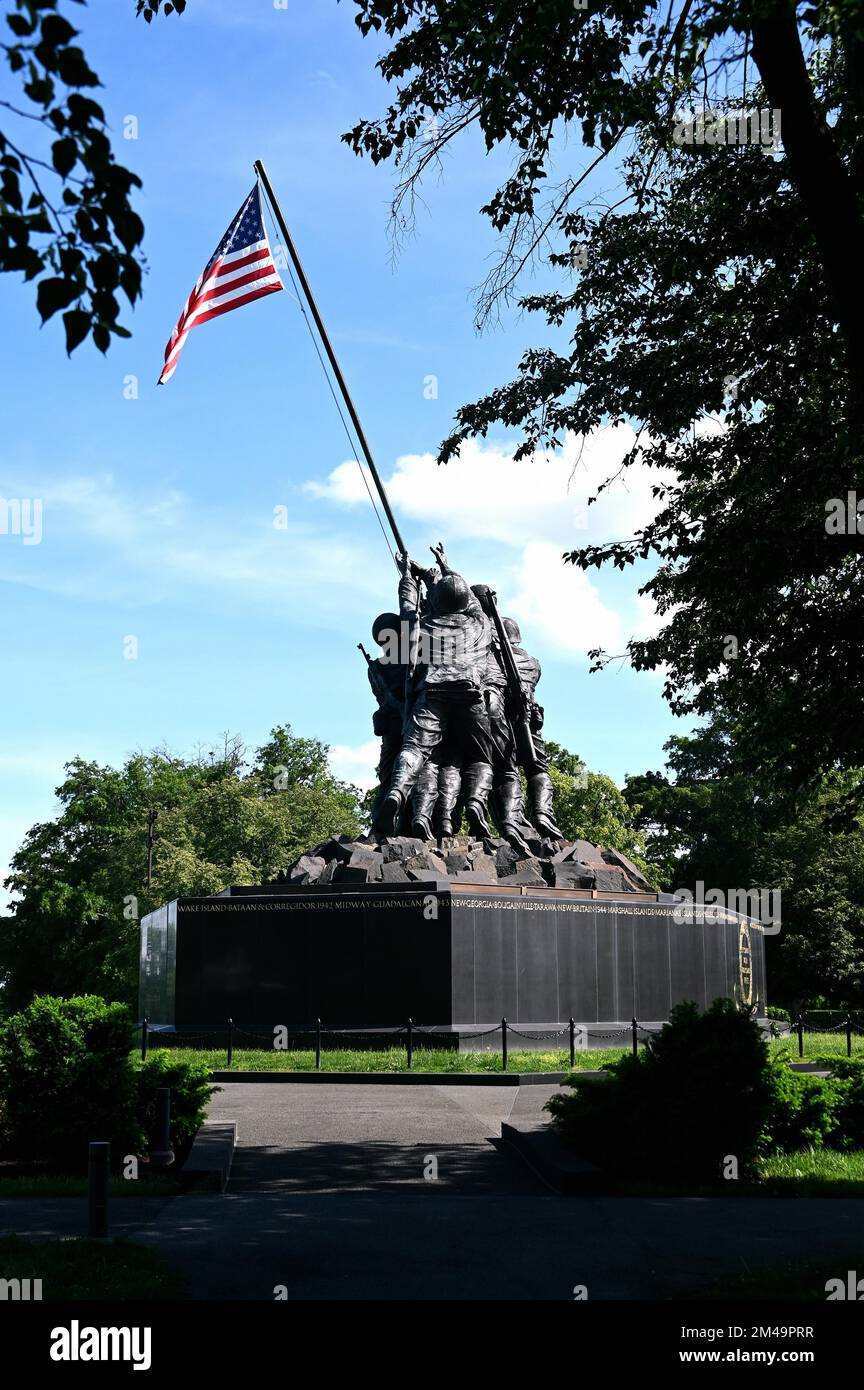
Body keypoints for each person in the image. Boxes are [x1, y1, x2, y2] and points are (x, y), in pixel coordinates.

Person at [373, 543, 500, 837]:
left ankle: (396, 792)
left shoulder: (423, 625)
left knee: (414, 749)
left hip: (432, 695)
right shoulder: (479, 624)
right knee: (480, 758)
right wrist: (444, 569)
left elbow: (408, 609)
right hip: (471, 697)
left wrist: (407, 576)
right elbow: (470, 599)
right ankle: (475, 804)